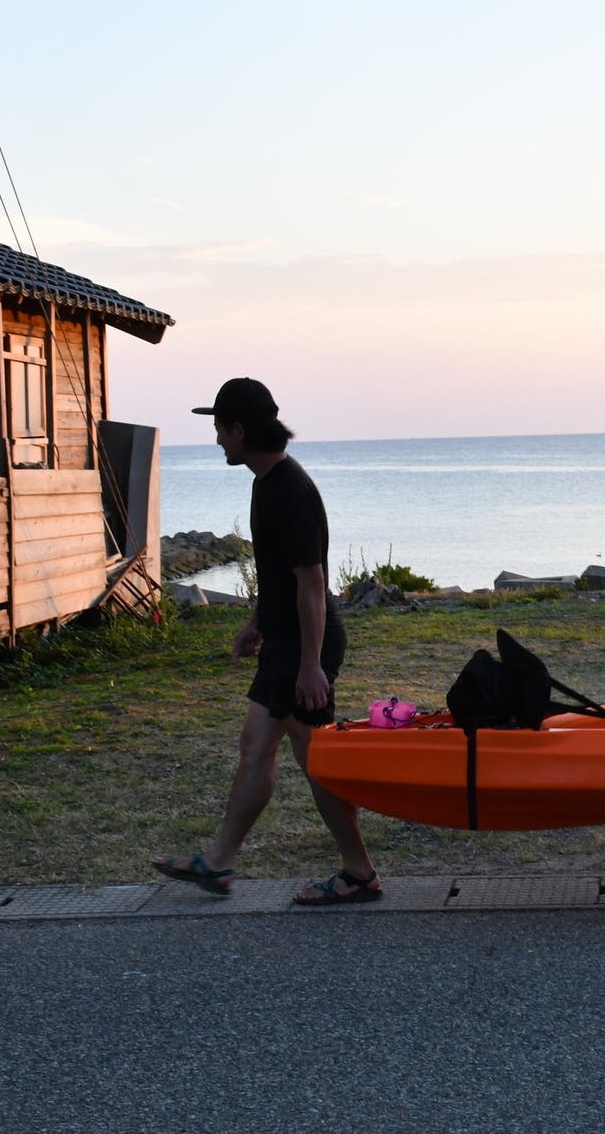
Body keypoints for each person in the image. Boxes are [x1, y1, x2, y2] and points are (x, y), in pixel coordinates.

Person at [152, 378, 382, 906]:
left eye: (219, 429)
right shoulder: (267, 483)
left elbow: (312, 584)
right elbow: (282, 578)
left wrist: (309, 666)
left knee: (316, 758)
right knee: (258, 746)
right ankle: (220, 864)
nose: (216, 441)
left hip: (309, 647)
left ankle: (359, 871)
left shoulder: (290, 489)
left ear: (240, 429)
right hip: (289, 642)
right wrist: (258, 621)